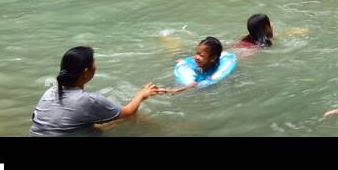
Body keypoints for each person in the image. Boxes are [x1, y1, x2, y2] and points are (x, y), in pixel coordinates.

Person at [29, 46, 162, 136]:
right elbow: (128, 112)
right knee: (132, 117)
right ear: (85, 72)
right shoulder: (88, 100)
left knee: (102, 125)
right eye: (94, 62)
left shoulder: (49, 93)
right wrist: (142, 95)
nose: (95, 65)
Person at [164, 37, 236, 93]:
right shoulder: (194, 62)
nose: (196, 57)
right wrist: (183, 63)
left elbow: (195, 84)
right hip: (192, 66)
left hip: (206, 84)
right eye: (196, 53)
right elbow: (191, 60)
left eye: (201, 55)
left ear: (213, 58)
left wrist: (178, 89)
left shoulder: (214, 70)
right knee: (179, 56)